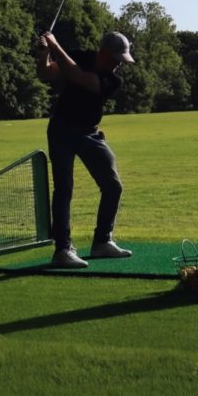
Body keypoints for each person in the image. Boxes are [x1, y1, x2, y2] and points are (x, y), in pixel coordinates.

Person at [36, 29, 135, 268]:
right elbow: (46, 73)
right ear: (102, 53)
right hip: (61, 130)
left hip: (90, 133)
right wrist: (44, 53)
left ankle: (102, 241)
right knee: (64, 189)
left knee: (113, 186)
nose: (119, 65)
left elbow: (78, 77)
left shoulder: (113, 79)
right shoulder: (80, 56)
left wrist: (55, 45)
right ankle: (62, 250)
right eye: (116, 59)